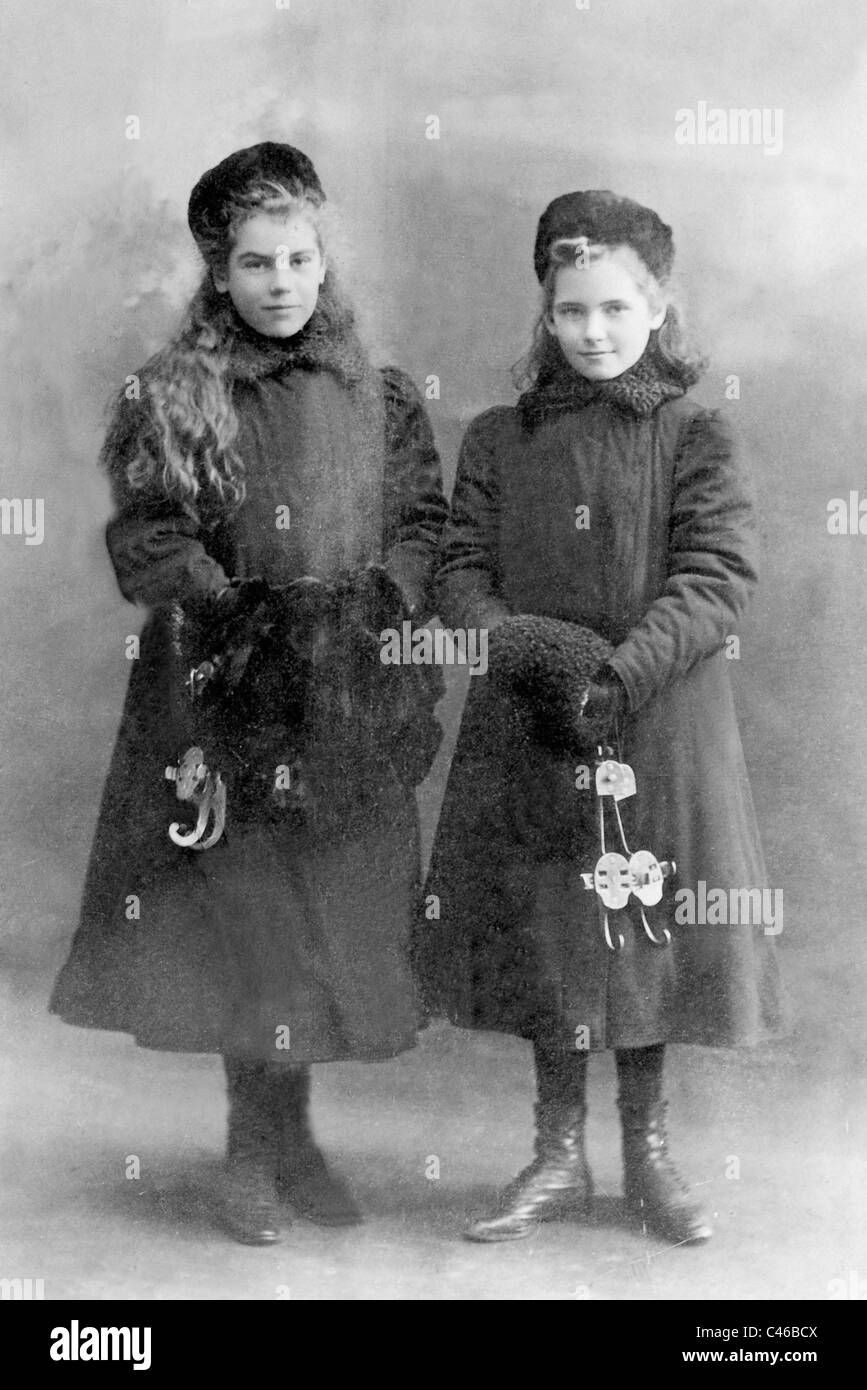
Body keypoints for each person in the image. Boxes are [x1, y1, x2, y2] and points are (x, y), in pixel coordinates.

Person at [50, 142, 448, 1246]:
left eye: (300, 259)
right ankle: (250, 1152)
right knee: (252, 919)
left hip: (343, 691)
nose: (282, 283)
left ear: (327, 263)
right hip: (226, 691)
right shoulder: (179, 396)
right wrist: (235, 611)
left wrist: (380, 601)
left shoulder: (378, 396)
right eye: (257, 263)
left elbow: (422, 524)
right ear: (219, 274)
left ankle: (298, 1136)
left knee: (332, 914)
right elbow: (152, 533)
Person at [418, 189, 787, 1245]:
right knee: (551, 933)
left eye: (617, 310)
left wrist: (620, 676)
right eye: (573, 311)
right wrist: (526, 649)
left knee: (642, 925)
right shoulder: (499, 437)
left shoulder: (695, 434)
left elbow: (717, 575)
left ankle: (650, 1156)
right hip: (533, 721)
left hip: (656, 722)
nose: (594, 332)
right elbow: (459, 568)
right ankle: (557, 1153)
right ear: (547, 313)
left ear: (658, 306)